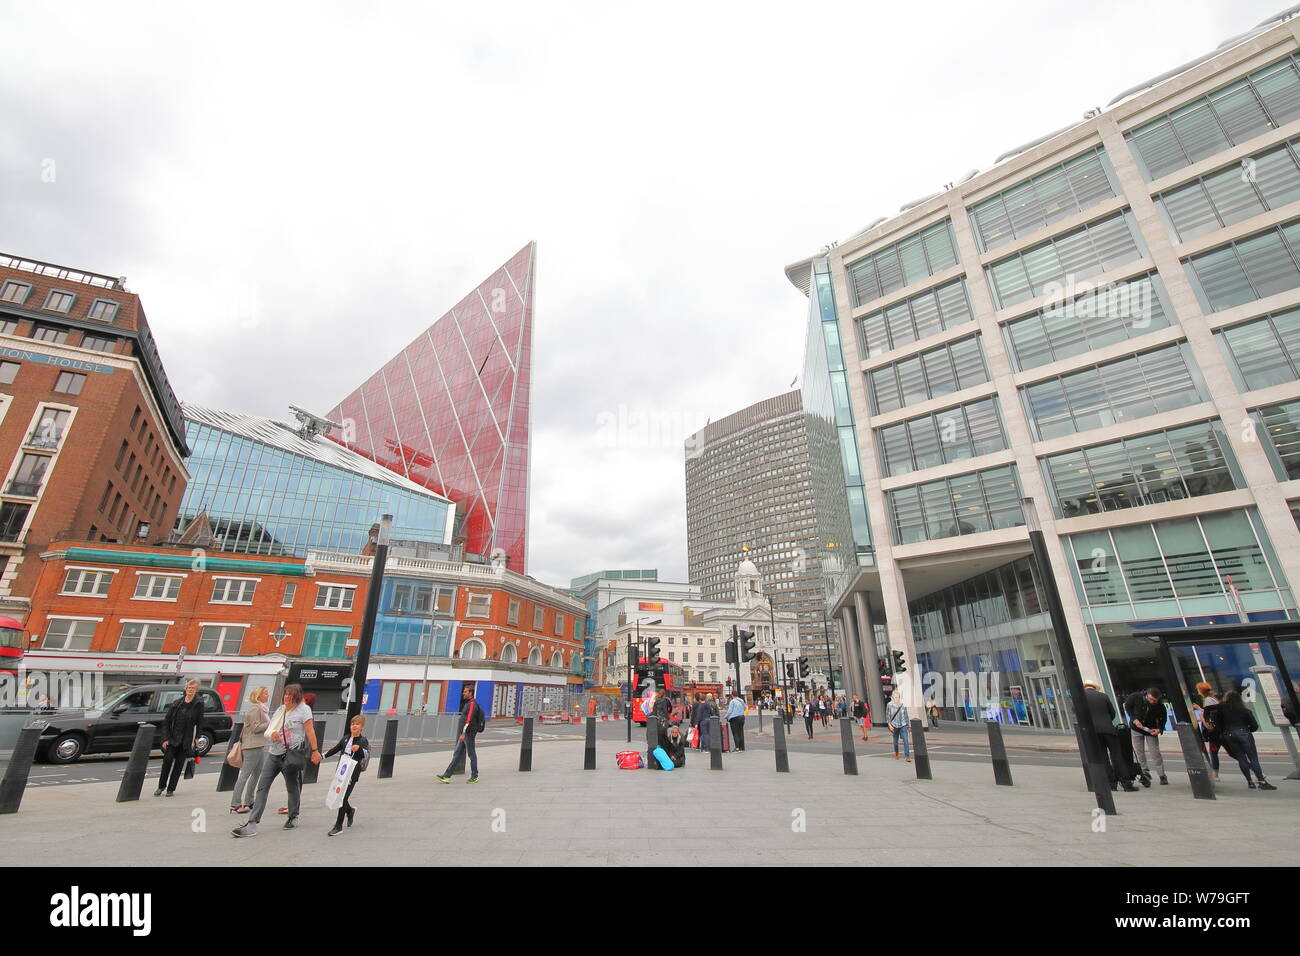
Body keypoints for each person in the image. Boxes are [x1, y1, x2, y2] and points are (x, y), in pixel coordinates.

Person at [231, 684, 321, 837]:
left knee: (292, 787)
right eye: (285, 694)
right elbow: (271, 728)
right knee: (262, 787)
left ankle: (293, 816)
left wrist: (315, 750)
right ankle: (252, 823)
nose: (286, 697)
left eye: (290, 695)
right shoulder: (281, 709)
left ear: (297, 696)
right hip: (274, 754)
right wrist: (272, 734)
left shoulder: (304, 710)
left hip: (291, 754)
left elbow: (310, 730)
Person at [1207, 691, 1276, 790]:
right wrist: (1247, 730)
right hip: (1244, 733)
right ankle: (1261, 781)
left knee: (1241, 758)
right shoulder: (1245, 711)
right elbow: (1254, 726)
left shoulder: (1221, 711)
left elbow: (1217, 722)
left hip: (1229, 735)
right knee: (1253, 758)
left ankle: (1250, 782)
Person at [1084, 682, 1137, 792]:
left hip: (1094, 731)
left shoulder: (1082, 697)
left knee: (1104, 758)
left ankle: (1112, 784)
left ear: (1085, 688)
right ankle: (1127, 784)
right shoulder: (1103, 696)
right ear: (1094, 688)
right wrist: (1107, 721)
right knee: (1117, 756)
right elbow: (1112, 713)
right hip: (1108, 729)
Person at [156, 679, 204, 797]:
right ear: (185, 689)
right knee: (167, 762)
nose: (190, 690)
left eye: (193, 688)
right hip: (172, 738)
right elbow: (167, 721)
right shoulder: (177, 703)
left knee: (178, 765)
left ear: (196, 690)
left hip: (185, 740)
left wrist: (197, 737)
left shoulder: (198, 705)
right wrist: (165, 739)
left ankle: (171, 789)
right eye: (188, 688)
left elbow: (200, 722)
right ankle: (161, 786)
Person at [323, 715, 371, 835]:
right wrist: (322, 756)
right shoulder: (346, 738)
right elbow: (335, 749)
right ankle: (350, 811)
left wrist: (359, 749)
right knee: (341, 796)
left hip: (352, 773)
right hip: (341, 772)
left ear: (362, 727)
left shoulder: (362, 741)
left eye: (357, 724)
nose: (354, 726)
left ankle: (338, 825)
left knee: (342, 797)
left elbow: (364, 754)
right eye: (352, 724)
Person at [229, 686, 271, 814]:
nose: (268, 695)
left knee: (256, 774)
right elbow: (255, 728)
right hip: (252, 746)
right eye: (265, 693)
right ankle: (235, 804)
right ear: (259, 695)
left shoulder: (262, 709)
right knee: (245, 775)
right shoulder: (255, 709)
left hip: (259, 745)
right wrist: (270, 723)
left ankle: (249, 800)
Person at [436, 685, 484, 784]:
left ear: (470, 693)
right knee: (457, 754)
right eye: (464, 691)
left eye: (465, 692)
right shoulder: (468, 703)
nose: (463, 693)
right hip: (464, 734)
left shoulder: (472, 704)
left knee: (471, 754)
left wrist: (463, 733)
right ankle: (447, 776)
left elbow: (469, 719)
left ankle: (475, 776)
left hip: (468, 734)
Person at [1124, 687, 1168, 786]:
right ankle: (1144, 773)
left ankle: (1162, 775)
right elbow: (1127, 707)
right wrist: (1134, 719)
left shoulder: (1160, 705)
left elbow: (1163, 718)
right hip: (1136, 728)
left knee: (1155, 752)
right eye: (1151, 699)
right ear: (1147, 694)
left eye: (1155, 700)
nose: (1152, 702)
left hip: (1150, 729)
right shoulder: (1135, 696)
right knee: (1139, 752)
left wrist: (1160, 729)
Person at [1194, 681, 1221, 780]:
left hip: (1214, 731)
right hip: (1219, 729)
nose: (1197, 692)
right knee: (1233, 752)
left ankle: (1215, 774)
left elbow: (1208, 714)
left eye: (1198, 690)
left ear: (1201, 691)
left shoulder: (1208, 700)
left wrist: (1199, 711)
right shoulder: (1212, 698)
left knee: (1213, 753)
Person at [886, 690, 911, 762]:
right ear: (892, 697)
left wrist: (908, 726)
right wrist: (889, 725)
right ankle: (896, 753)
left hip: (903, 725)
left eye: (898, 697)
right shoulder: (889, 705)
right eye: (895, 697)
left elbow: (906, 716)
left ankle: (907, 757)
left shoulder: (903, 705)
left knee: (906, 740)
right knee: (895, 742)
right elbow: (887, 715)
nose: (897, 699)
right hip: (894, 725)